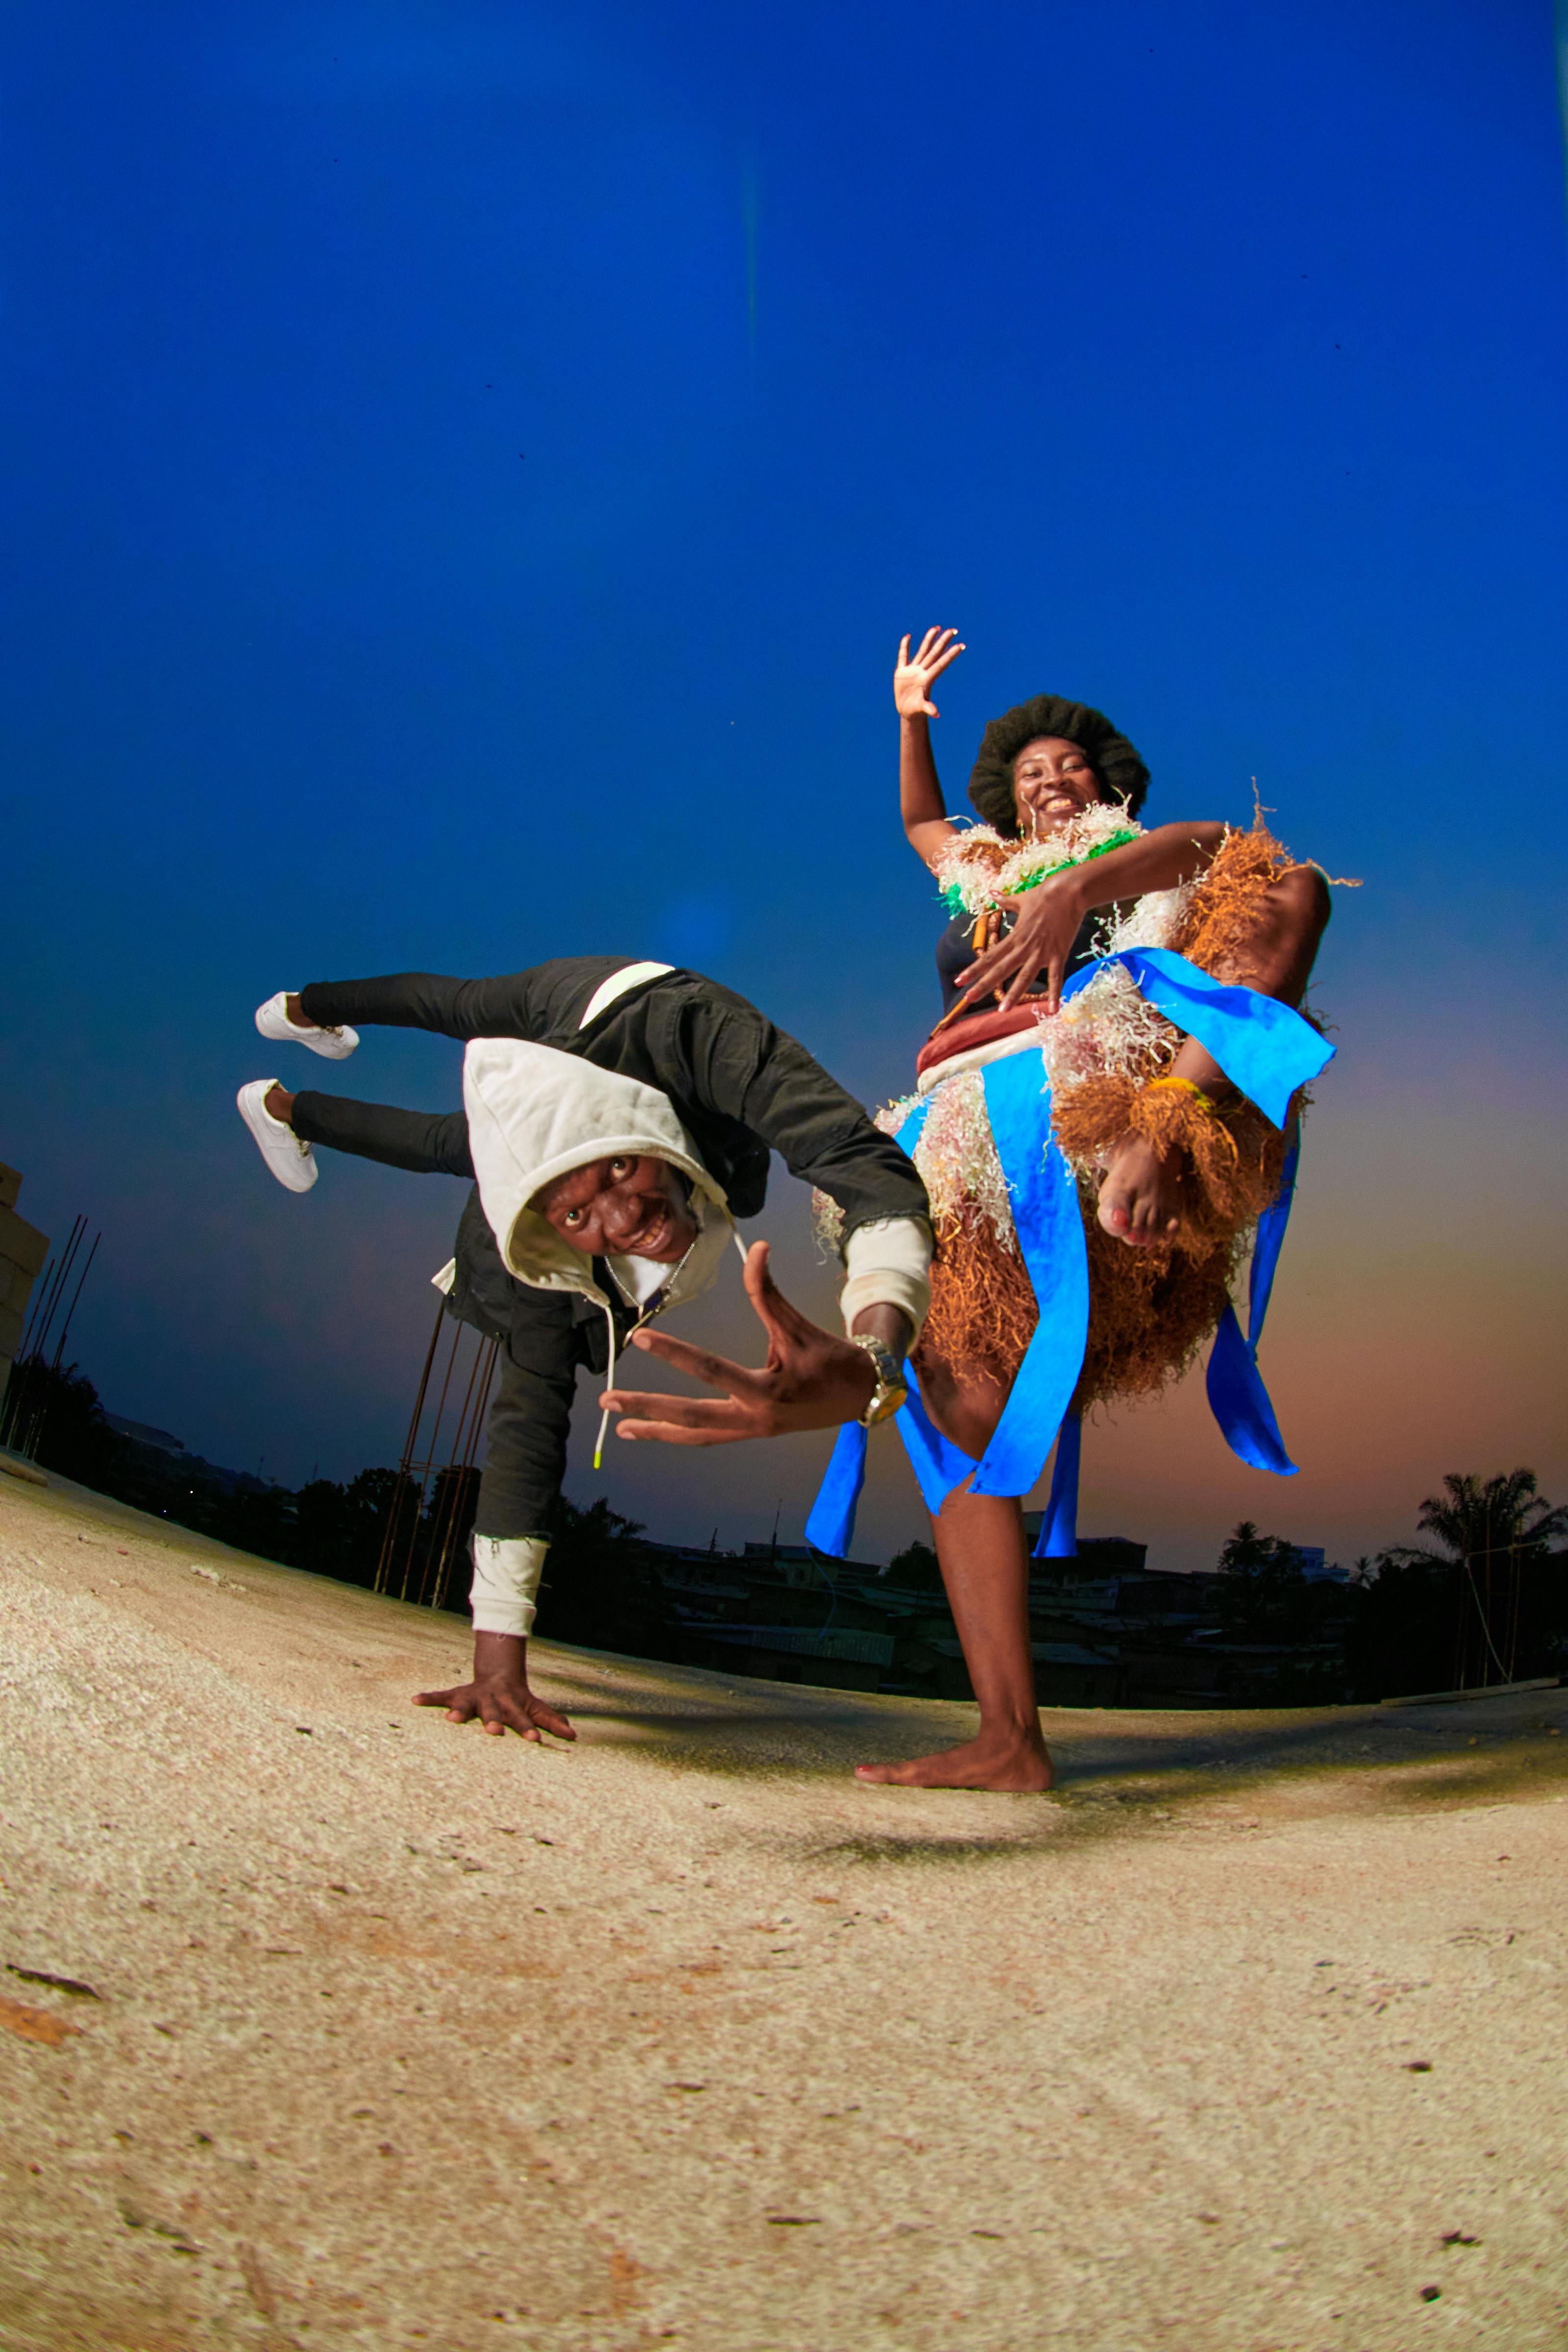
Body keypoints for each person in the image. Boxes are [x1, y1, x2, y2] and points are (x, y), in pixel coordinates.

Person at [808, 628, 1335, 1793]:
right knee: (958, 1404)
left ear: (1107, 785)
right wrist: (910, 719)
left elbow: (1222, 849)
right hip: (953, 1123)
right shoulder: (981, 873)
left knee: (1289, 879)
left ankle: (1160, 1129)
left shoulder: (1139, 853)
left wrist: (1082, 895)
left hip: (1084, 1088)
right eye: (1031, 772)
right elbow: (919, 827)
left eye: (1071, 767)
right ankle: (1011, 1739)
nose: (1051, 778)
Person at [239, 957, 932, 1743]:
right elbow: (529, 1414)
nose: (624, 1215)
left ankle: (289, 1088)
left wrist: (876, 1349)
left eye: (623, 1167)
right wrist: (498, 1660)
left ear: (644, 1136)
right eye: (577, 1217)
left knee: (459, 1025)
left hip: (604, 1000)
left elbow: (860, 1163)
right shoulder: (542, 1250)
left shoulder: (708, 1041)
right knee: (456, 1138)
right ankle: (298, 1040)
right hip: (558, 1109)